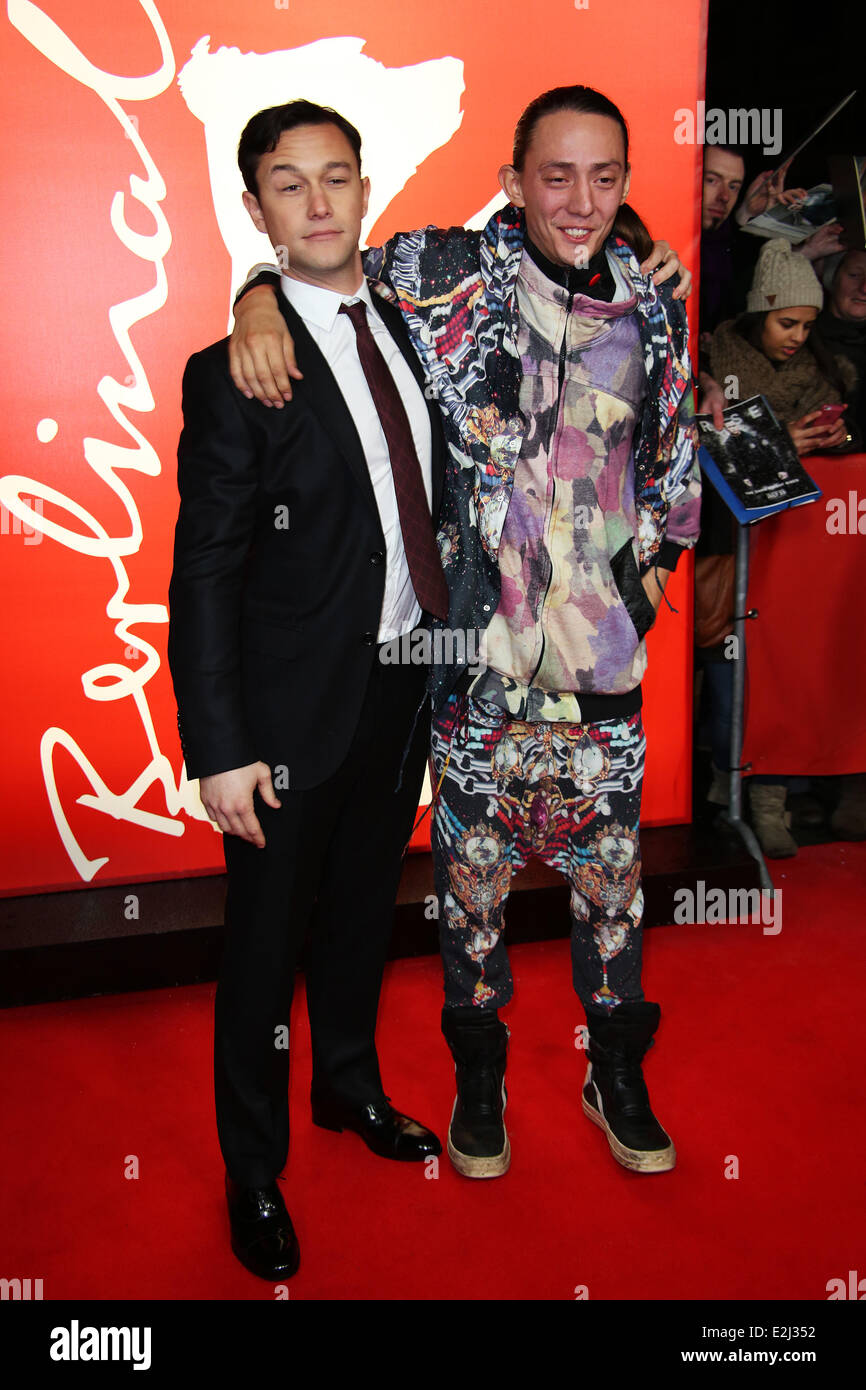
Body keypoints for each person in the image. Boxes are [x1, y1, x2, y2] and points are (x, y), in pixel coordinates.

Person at [229, 85, 700, 1181]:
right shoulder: (441, 280)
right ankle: (476, 1076)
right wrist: (253, 295)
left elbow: (676, 478)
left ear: (625, 185)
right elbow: (321, 265)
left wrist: (628, 597)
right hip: (471, 672)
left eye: (604, 176)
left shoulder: (655, 306)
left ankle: (611, 1072)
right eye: (554, 174)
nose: (579, 200)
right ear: (510, 180)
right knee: (470, 892)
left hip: (601, 679)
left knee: (610, 894)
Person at [168, 100, 448, 1282]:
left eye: (336, 176)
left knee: (356, 921)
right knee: (262, 945)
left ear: (364, 186)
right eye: (289, 185)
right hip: (284, 718)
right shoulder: (239, 365)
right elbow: (207, 570)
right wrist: (218, 745)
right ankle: (253, 1167)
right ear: (256, 208)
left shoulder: (419, 320)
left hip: (401, 689)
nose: (319, 201)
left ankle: (348, 1089)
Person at [704, 236, 857, 857]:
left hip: (800, 556)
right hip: (730, 554)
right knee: (733, 677)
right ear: (757, 311)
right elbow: (711, 460)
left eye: (807, 324)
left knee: (795, 670)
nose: (796, 335)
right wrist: (780, 441)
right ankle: (730, 795)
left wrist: (837, 441)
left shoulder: (828, 374)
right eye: (786, 321)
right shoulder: (716, 361)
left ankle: (776, 796)